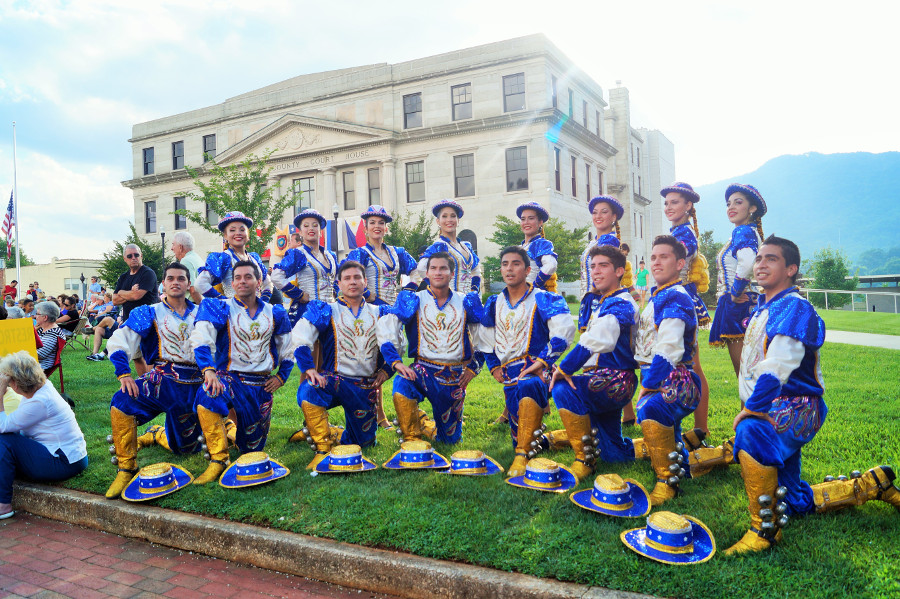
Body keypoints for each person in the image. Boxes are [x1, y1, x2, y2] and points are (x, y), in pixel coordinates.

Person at [724, 236, 900, 554]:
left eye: (771, 259)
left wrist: (754, 408)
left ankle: (765, 531)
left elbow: (780, 362)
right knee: (792, 501)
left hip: (798, 406)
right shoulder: (769, 306)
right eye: (759, 258)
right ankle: (871, 484)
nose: (761, 263)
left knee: (752, 431)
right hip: (780, 404)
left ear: (791, 269)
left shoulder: (794, 306)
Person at [103, 263, 208, 499]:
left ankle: (156, 433)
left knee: (184, 449)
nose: (175, 282)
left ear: (188, 284)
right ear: (163, 283)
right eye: (170, 278)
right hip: (161, 381)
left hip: (195, 385)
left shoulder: (202, 313)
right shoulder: (149, 312)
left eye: (181, 278)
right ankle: (126, 467)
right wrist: (124, 374)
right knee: (122, 401)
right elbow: (120, 339)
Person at [190, 260, 293, 485]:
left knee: (251, 450)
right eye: (237, 277)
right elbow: (201, 339)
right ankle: (218, 460)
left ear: (258, 282)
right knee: (208, 394)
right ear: (232, 282)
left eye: (248, 277)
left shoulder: (275, 312)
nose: (242, 281)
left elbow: (288, 349)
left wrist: (281, 376)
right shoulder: (221, 307)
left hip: (261, 385)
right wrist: (208, 371)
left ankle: (229, 429)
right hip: (230, 378)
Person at [477, 247, 575, 477]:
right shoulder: (494, 302)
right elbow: (485, 337)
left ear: (528, 269)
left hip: (538, 371)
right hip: (510, 375)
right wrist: (493, 366)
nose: (509, 269)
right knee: (524, 433)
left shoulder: (542, 297)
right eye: (505, 264)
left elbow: (564, 330)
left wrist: (544, 360)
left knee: (529, 388)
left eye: (516, 264)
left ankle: (521, 456)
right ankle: (558, 438)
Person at [548, 245, 640, 481]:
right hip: (605, 379)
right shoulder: (606, 301)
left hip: (614, 380)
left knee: (562, 387)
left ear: (619, 271)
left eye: (603, 266)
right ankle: (652, 445)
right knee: (613, 455)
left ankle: (584, 458)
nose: (596, 271)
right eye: (592, 266)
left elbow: (598, 340)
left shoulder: (620, 303)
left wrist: (564, 368)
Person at [292, 260, 394, 469]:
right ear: (339, 283)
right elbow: (300, 337)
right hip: (334, 381)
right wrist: (310, 369)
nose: (352, 282)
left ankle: (331, 432)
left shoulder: (380, 312)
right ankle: (323, 447)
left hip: (365, 386)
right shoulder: (326, 311)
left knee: (363, 443)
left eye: (357, 277)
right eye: (347, 278)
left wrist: (386, 370)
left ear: (365, 282)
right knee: (308, 390)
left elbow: (394, 343)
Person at [376, 251, 484, 445]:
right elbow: (387, 327)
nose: (438, 272)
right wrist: (396, 362)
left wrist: (473, 368)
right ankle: (412, 441)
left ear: (452, 273)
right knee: (401, 385)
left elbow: (484, 338)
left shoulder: (466, 301)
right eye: (433, 268)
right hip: (422, 370)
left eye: (443, 268)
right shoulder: (413, 299)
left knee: (449, 440)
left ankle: (424, 423)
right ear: (426, 274)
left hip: (454, 377)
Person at [632, 235, 700, 506]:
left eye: (664, 257)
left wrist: (647, 386)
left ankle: (666, 481)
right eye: (653, 257)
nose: (656, 262)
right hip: (661, 374)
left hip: (678, 378)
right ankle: (681, 464)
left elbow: (669, 349)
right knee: (662, 418)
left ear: (680, 263)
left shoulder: (675, 296)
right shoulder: (660, 294)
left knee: (651, 408)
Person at [343, 205, 418, 428]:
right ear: (365, 229)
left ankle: (392, 409)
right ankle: (379, 413)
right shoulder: (360, 253)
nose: (377, 227)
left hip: (392, 312)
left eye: (381, 223)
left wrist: (408, 291)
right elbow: (348, 276)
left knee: (390, 358)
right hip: (370, 312)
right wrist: (368, 293)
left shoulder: (398, 252)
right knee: (373, 361)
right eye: (372, 223)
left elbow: (415, 270)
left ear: (387, 228)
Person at [0, 351, 88, 519]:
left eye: (9, 382)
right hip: (70, 457)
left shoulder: (40, 401)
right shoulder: (41, 388)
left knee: (3, 440)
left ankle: (3, 505)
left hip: (64, 462)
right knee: (7, 441)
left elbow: (2, 427)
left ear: (16, 385)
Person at [579, 195, 637, 426]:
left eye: (604, 212)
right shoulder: (598, 240)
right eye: (595, 212)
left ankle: (611, 402)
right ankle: (628, 412)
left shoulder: (610, 242)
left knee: (605, 354)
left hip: (603, 300)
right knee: (607, 353)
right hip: (593, 299)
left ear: (614, 217)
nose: (598, 216)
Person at [661, 182, 711, 434]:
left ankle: (700, 428)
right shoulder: (678, 232)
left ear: (688, 205)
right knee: (682, 363)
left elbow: (675, 266)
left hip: (680, 302)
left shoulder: (684, 235)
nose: (669, 207)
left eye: (675, 202)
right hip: (673, 298)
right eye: (667, 203)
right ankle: (680, 423)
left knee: (692, 365)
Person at [709, 184, 767, 376]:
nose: (731, 207)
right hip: (745, 301)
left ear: (752, 208)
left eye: (738, 202)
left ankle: (749, 407)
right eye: (728, 204)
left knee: (745, 372)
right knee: (750, 368)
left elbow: (748, 261)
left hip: (739, 303)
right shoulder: (749, 231)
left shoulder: (742, 231)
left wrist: (735, 292)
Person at [87, 244, 159, 363]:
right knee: (136, 357)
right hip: (129, 321)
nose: (133, 258)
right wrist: (130, 293)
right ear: (125, 259)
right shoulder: (124, 277)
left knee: (149, 357)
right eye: (129, 256)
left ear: (141, 256)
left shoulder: (148, 273)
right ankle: (142, 380)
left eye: (136, 255)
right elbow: (115, 300)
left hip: (148, 321)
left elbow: (137, 296)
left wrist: (122, 293)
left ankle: (150, 381)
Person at [271, 209, 338, 327]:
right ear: (300, 232)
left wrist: (335, 294)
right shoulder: (299, 254)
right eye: (306, 226)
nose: (311, 228)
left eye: (315, 225)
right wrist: (299, 294)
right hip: (309, 313)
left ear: (321, 231)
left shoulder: (330, 256)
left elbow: (337, 279)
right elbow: (276, 276)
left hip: (332, 312)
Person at [195, 211, 273, 303]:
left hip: (256, 312)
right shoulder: (223, 258)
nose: (238, 233)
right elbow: (200, 284)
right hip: (233, 314)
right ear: (225, 236)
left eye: (242, 230)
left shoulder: (254, 258)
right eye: (232, 230)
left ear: (248, 234)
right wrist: (225, 301)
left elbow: (268, 283)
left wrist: (263, 301)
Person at [417, 200, 482, 294]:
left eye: (453, 216)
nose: (449, 220)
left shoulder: (466, 246)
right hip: (450, 303)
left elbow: (476, 270)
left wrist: (474, 290)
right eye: (444, 216)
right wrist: (439, 289)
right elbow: (421, 268)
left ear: (458, 220)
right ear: (438, 221)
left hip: (469, 302)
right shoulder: (439, 246)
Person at [517, 202, 558, 292]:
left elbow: (551, 265)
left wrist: (535, 285)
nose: (526, 222)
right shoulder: (519, 248)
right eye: (523, 219)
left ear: (540, 222)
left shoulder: (541, 244)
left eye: (531, 218)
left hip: (534, 298)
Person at [171, 231, 204, 304]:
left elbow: (192, 289)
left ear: (180, 247)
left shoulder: (186, 261)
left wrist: (202, 307)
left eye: (173, 245)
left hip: (192, 304)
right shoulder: (197, 258)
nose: (171, 248)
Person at [34, 302, 67, 372]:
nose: (35, 316)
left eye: (37, 314)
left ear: (45, 317)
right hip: (33, 365)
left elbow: (39, 355)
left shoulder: (52, 333)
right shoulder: (42, 329)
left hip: (39, 368)